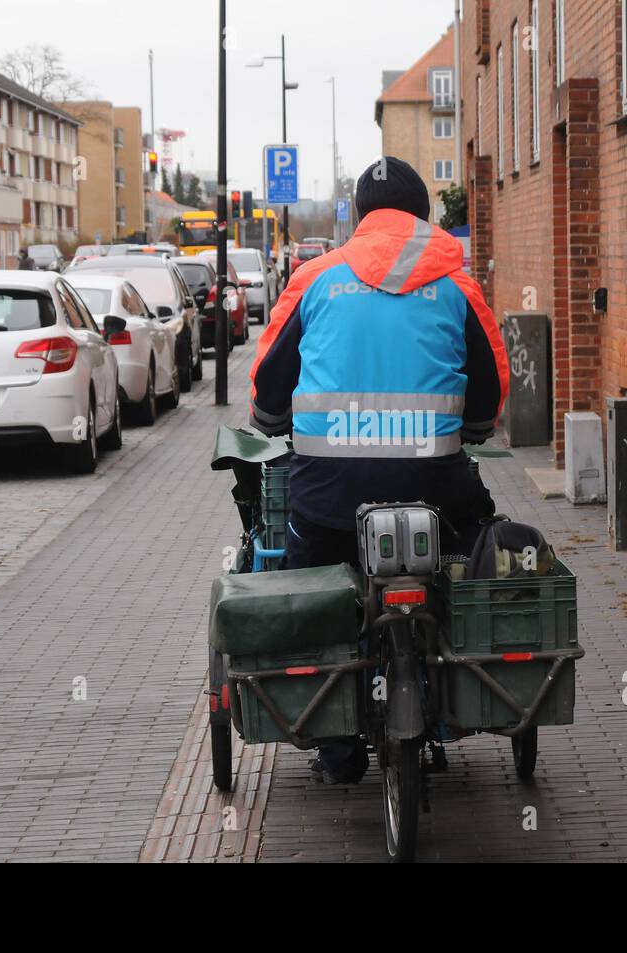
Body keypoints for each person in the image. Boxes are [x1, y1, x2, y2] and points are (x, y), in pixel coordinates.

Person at [249, 156, 509, 784]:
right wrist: (469, 430)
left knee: (314, 592)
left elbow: (267, 386)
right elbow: (491, 388)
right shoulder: (457, 283)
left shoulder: (315, 278)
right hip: (435, 488)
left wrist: (271, 417)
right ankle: (454, 694)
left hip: (329, 494)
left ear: (360, 218)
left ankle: (336, 747)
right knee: (473, 554)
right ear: (422, 215)